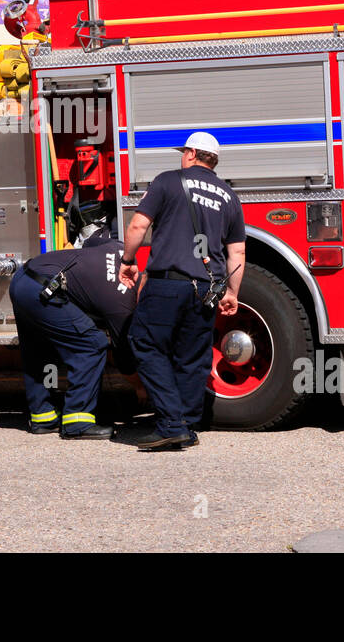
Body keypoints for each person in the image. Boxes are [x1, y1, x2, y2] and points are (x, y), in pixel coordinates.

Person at [119, 132, 245, 451]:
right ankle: (187, 424)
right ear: (212, 160)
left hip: (167, 284)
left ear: (190, 154)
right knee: (192, 355)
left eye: (182, 152)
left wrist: (128, 259)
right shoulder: (229, 195)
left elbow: (137, 226)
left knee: (144, 342)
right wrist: (232, 293)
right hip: (207, 288)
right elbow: (238, 252)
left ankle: (170, 423)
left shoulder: (167, 181)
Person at [9, 236, 137, 439]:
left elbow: (90, 242)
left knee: (40, 350)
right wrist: (142, 389)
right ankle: (78, 421)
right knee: (92, 345)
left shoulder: (120, 249)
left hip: (23, 278)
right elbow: (126, 361)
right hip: (45, 289)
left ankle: (43, 417)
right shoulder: (123, 306)